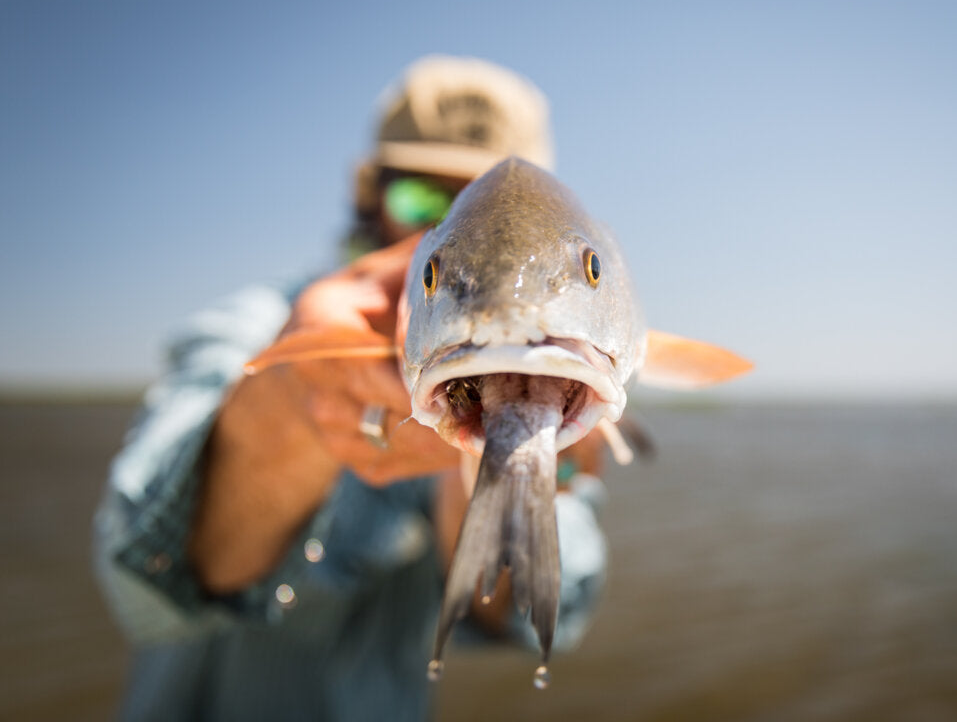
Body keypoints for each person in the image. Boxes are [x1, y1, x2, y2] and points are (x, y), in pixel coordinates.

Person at [93, 56, 609, 721]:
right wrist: (298, 393)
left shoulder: (568, 360)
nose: (445, 240)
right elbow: (137, 582)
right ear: (371, 198)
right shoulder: (256, 324)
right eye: (421, 201)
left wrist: (491, 463)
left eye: (491, 212)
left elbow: (541, 618)